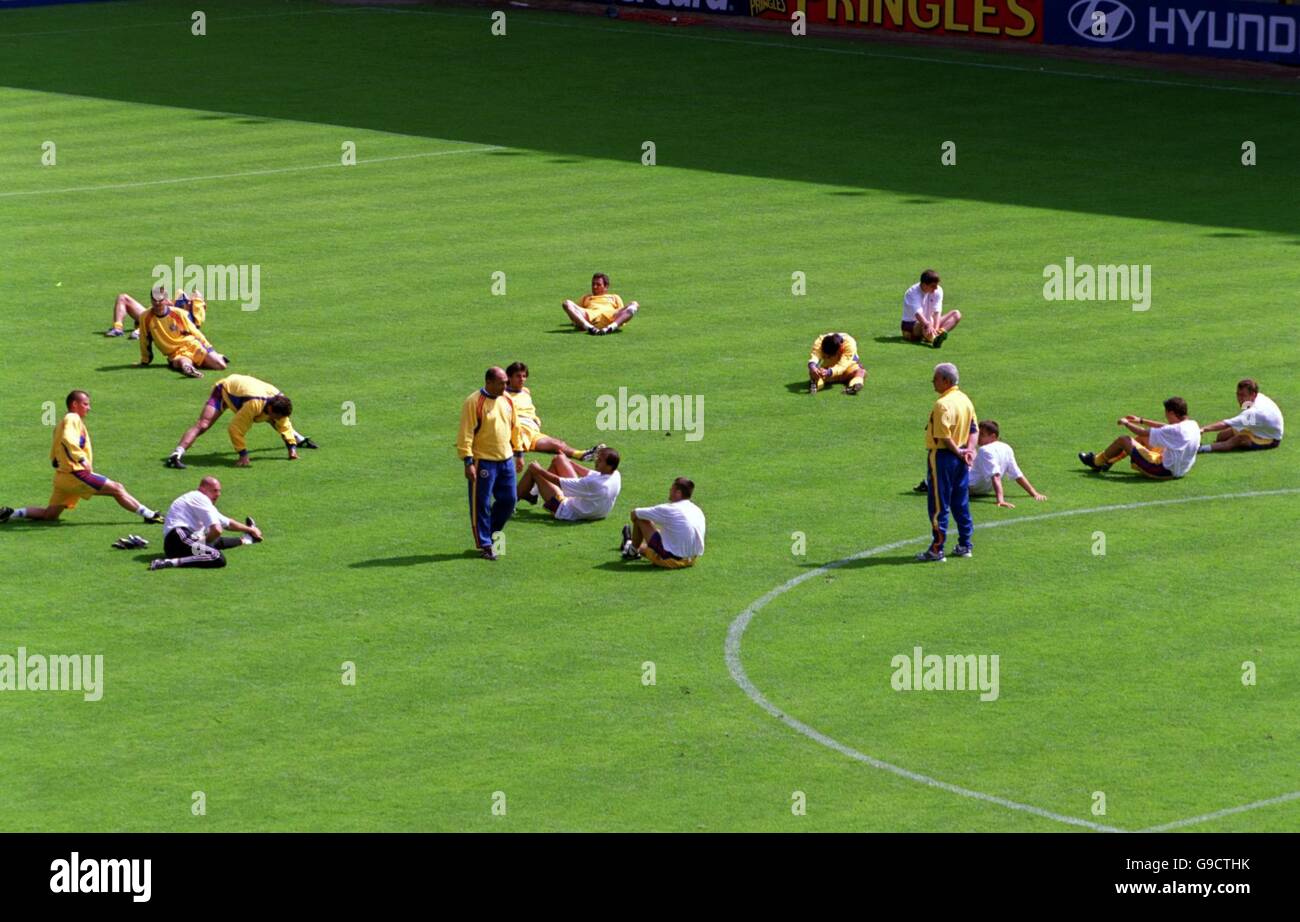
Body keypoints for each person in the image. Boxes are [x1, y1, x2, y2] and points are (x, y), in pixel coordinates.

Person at [0, 390, 162, 525]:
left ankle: (13, 513)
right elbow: (67, 439)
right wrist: (80, 458)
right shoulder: (72, 418)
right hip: (75, 474)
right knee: (117, 489)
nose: (89, 408)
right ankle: (150, 515)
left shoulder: (64, 422)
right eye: (85, 404)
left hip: (62, 477)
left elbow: (57, 449)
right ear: (74, 405)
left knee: (50, 515)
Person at [165, 374, 316, 468]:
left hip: (246, 390)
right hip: (225, 390)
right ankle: (175, 455)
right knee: (203, 424)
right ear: (270, 409)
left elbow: (284, 423)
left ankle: (298, 440)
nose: (279, 419)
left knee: (273, 421)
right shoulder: (254, 404)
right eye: (276, 415)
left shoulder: (279, 400)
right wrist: (243, 455)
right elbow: (235, 429)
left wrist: (291, 449)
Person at [457, 366, 524, 560]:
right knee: (481, 504)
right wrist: (468, 461)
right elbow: (466, 433)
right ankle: (485, 544)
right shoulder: (473, 402)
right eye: (502, 382)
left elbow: (515, 427)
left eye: (506, 382)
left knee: (510, 500)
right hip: (483, 462)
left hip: (506, 459)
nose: (506, 385)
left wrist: (518, 453)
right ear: (489, 382)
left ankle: (489, 531)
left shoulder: (507, 399)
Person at [917, 363, 977, 562]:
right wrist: (969, 450)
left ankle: (937, 549)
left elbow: (943, 436)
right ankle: (965, 544)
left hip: (944, 457)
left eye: (935, 378)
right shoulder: (965, 400)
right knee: (961, 501)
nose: (933, 382)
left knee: (938, 504)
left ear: (946, 380)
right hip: (961, 457)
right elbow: (973, 429)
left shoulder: (942, 404)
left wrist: (959, 452)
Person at [149, 476, 263, 570]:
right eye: (214, 490)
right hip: (178, 537)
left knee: (213, 541)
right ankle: (169, 563)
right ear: (203, 489)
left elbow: (227, 523)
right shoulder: (199, 497)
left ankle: (248, 540)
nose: (218, 494)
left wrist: (250, 530)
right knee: (217, 556)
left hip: (178, 544)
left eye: (219, 491)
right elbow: (217, 530)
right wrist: (204, 542)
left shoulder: (202, 502)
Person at [1078, 397, 1200, 480]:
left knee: (1124, 440)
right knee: (1142, 438)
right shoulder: (1193, 425)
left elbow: (1141, 431)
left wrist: (1126, 423)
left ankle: (1096, 462)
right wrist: (1141, 420)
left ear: (1172, 413)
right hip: (1181, 470)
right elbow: (1166, 427)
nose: (1165, 416)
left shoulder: (1174, 430)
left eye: (1166, 413)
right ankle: (1109, 462)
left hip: (1161, 470)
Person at [505, 362, 604, 460]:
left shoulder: (526, 391)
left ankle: (583, 455)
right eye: (518, 376)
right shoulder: (503, 394)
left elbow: (528, 408)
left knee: (558, 444)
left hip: (533, 431)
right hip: (518, 430)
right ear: (509, 377)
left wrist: (535, 418)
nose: (522, 379)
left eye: (524, 376)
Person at [138, 285, 228, 377]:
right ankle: (189, 368)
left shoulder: (178, 314)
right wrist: (145, 360)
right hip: (174, 354)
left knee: (221, 365)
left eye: (160, 300)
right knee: (183, 361)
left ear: (166, 300)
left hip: (191, 345)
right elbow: (144, 340)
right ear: (151, 299)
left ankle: (206, 359)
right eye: (154, 300)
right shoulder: (145, 317)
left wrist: (211, 350)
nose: (157, 303)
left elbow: (196, 333)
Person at [620, 477, 706, 569]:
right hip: (691, 559)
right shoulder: (697, 509)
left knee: (641, 519)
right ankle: (631, 545)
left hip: (671, 559)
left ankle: (631, 551)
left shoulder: (670, 509)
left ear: (678, 493)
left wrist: (641, 529)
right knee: (661, 533)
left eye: (672, 488)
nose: (669, 490)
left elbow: (635, 513)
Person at [517, 448, 622, 522]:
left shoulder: (594, 484)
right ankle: (533, 494)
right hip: (596, 511)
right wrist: (568, 461)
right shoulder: (615, 475)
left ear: (609, 466)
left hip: (563, 509)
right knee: (559, 459)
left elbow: (559, 481)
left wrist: (539, 470)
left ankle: (510, 502)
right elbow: (589, 473)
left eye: (600, 461)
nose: (596, 462)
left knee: (533, 470)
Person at [1199, 378, 1284, 453]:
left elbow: (1226, 424)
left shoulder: (1255, 412)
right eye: (1238, 394)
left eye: (1243, 395)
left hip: (1270, 439)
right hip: (1258, 427)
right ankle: (1216, 446)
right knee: (1222, 436)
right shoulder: (1256, 398)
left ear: (1253, 395)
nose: (1239, 399)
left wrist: (1204, 429)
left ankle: (1201, 449)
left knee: (1238, 440)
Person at [107, 287, 206, 339]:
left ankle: (141, 331)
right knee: (122, 297)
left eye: (193, 298)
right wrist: (168, 303)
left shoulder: (192, 315)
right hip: (153, 316)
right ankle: (118, 328)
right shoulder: (180, 298)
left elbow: (194, 326)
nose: (190, 298)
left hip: (164, 324)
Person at [561, 272, 640, 335]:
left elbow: (623, 315)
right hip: (590, 315)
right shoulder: (586, 297)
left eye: (598, 284)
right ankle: (589, 328)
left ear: (606, 286)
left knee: (634, 304)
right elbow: (575, 315)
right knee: (566, 303)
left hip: (610, 316)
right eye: (593, 284)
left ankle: (611, 327)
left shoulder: (614, 297)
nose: (594, 287)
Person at [901, 269, 961, 348]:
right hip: (911, 327)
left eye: (936, 285)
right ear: (924, 284)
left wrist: (935, 328)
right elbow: (918, 314)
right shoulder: (912, 293)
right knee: (924, 324)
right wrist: (927, 324)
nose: (936, 288)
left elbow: (937, 312)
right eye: (933, 286)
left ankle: (938, 334)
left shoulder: (938, 290)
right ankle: (934, 339)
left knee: (956, 314)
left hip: (929, 322)